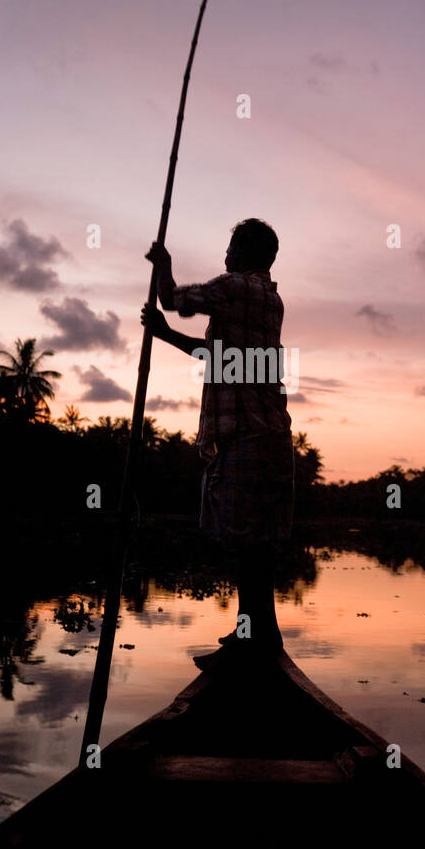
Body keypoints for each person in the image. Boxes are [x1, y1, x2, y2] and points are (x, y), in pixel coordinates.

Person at [141, 218, 294, 667]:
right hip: (269, 436)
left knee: (246, 546)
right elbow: (222, 358)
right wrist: (166, 336)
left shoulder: (236, 287)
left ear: (244, 252)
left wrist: (163, 266)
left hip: (245, 434)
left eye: (230, 247)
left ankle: (255, 640)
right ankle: (261, 635)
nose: (224, 255)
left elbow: (173, 300)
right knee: (256, 545)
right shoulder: (269, 298)